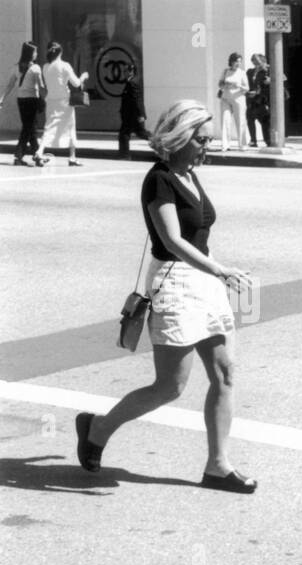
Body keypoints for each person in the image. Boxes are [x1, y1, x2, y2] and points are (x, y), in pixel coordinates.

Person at [75, 100, 257, 493]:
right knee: (170, 387)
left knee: (225, 373)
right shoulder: (160, 179)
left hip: (205, 283)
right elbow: (172, 241)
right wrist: (221, 270)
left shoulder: (190, 173)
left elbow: (198, 236)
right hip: (176, 285)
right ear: (179, 137)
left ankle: (218, 466)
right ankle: (98, 428)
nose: (207, 147)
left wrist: (217, 270)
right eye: (201, 140)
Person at [33, 43, 89, 167]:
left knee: (49, 127)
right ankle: (72, 157)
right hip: (64, 102)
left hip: (51, 101)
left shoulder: (45, 67)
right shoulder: (65, 66)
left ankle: (39, 150)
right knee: (70, 128)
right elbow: (76, 83)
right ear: (60, 52)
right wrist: (83, 77)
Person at [0, 42, 44, 166]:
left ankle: (37, 155)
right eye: (35, 52)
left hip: (21, 100)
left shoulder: (17, 67)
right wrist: (48, 98)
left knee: (30, 128)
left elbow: (10, 85)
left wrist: (2, 98)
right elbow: (41, 87)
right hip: (32, 100)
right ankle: (19, 155)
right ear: (30, 54)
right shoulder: (36, 68)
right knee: (28, 128)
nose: (37, 54)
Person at [216, 52, 248, 151]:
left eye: (239, 62)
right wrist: (226, 85)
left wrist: (238, 86)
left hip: (238, 99)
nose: (238, 63)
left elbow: (246, 88)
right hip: (226, 98)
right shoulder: (225, 71)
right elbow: (220, 84)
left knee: (240, 121)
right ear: (231, 62)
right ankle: (225, 145)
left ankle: (242, 145)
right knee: (225, 121)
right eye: (236, 61)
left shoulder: (242, 73)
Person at [117, 61, 147, 158]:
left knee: (127, 134)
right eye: (123, 71)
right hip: (130, 115)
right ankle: (124, 155)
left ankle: (124, 155)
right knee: (127, 134)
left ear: (131, 71)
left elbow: (137, 100)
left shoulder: (132, 83)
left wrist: (141, 115)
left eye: (125, 71)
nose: (124, 73)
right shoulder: (131, 82)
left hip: (132, 115)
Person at [245, 53, 269, 147]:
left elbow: (282, 78)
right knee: (250, 119)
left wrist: (271, 79)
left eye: (257, 61)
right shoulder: (250, 71)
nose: (255, 63)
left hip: (262, 99)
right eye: (253, 61)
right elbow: (246, 83)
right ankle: (253, 140)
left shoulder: (268, 70)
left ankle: (268, 140)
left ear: (263, 61)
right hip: (251, 99)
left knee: (264, 121)